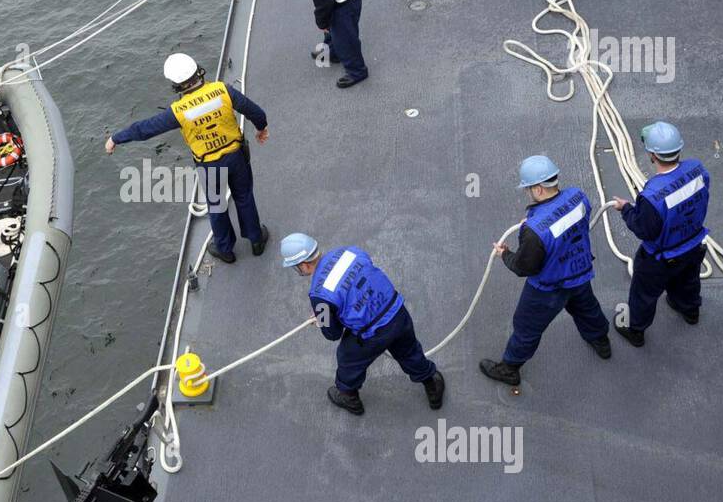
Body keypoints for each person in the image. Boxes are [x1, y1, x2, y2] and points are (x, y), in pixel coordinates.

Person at [106, 54, 269, 264]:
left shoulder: (178, 111)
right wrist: (261, 128)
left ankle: (225, 250)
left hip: (210, 165)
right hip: (236, 156)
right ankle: (256, 241)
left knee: (216, 205)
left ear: (176, 84)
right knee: (244, 197)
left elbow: (145, 129)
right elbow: (254, 111)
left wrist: (115, 139)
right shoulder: (223, 90)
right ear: (198, 71)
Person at [480, 155, 612, 385]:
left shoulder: (533, 232)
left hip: (548, 290)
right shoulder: (578, 197)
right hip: (579, 273)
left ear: (539, 189)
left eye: (528, 189)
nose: (528, 193)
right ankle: (601, 341)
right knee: (587, 308)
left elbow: (525, 267)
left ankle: (510, 368)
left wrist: (505, 254)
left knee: (526, 327)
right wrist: (535, 217)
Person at [281, 233, 444, 414]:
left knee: (347, 358)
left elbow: (332, 334)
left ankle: (349, 396)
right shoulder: (349, 252)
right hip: (397, 312)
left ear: (303, 264)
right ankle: (432, 384)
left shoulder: (319, 295)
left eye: (296, 267)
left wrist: (321, 319)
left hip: (372, 335)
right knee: (409, 351)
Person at [609, 122, 710, 346]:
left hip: (660, 258)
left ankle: (635, 330)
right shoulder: (698, 169)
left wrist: (626, 209)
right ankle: (690, 311)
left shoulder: (652, 195)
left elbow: (644, 230)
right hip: (692, 246)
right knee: (688, 280)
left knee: (643, 294)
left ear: (653, 155)